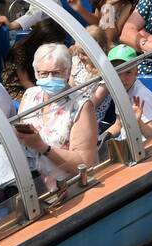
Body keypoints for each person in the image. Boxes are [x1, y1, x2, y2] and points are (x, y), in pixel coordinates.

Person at [14, 47, 99, 189]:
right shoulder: (30, 95)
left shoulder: (81, 106)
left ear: (68, 71)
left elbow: (84, 164)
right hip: (28, 181)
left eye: (56, 73)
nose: (50, 78)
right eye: (44, 73)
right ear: (36, 73)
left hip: (66, 185)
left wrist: (42, 147)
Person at [97, 45, 152, 142]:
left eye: (128, 72)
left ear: (136, 72)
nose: (122, 78)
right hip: (127, 141)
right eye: (117, 73)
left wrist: (138, 122)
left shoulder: (141, 97)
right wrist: (102, 138)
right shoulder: (121, 91)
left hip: (146, 147)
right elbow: (119, 124)